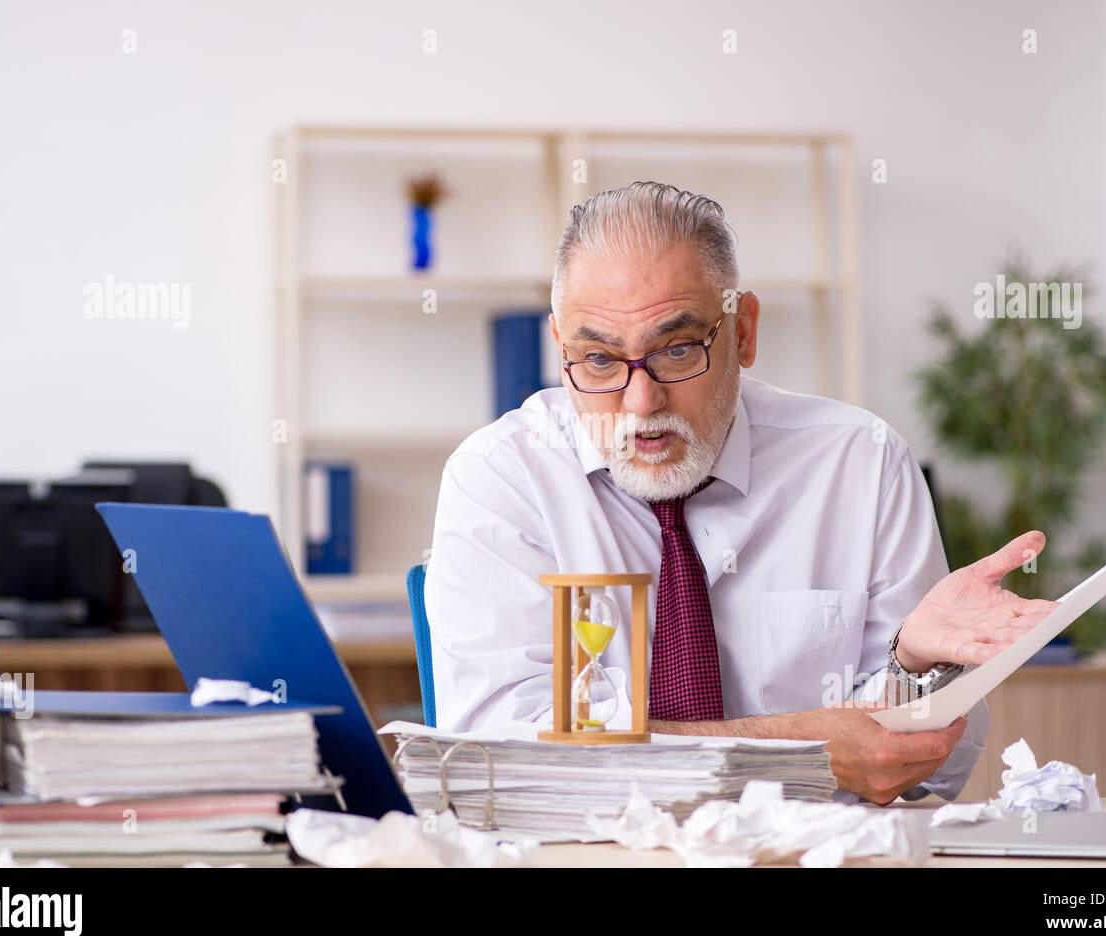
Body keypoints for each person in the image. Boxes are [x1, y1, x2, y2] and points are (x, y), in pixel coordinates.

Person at [425, 181, 1055, 803]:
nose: (641, 403)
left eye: (676, 350)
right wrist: (801, 752)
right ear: (560, 346)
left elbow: (940, 771)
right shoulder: (502, 476)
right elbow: (503, 763)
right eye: (598, 361)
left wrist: (913, 670)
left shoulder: (860, 461)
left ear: (744, 331)